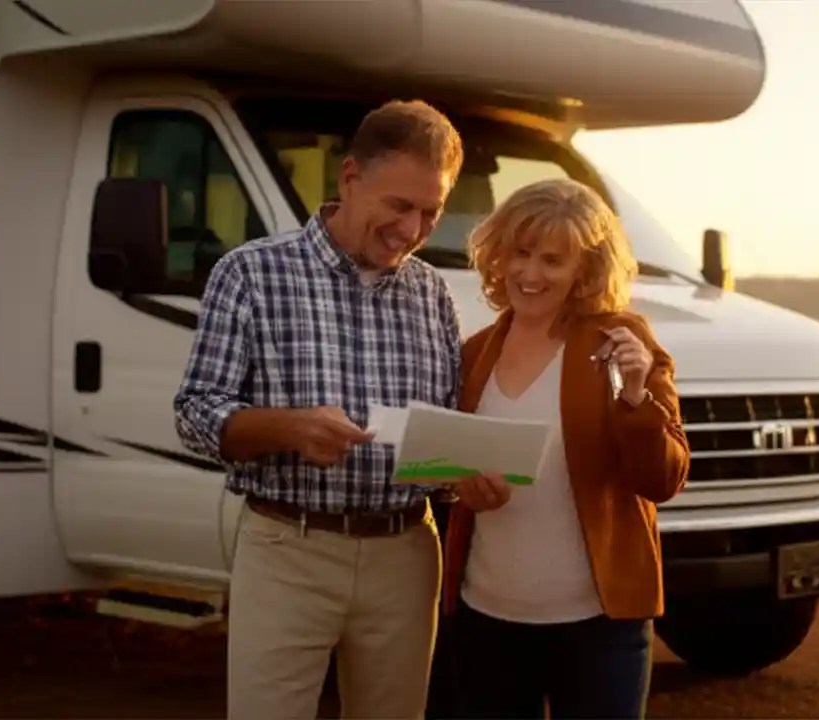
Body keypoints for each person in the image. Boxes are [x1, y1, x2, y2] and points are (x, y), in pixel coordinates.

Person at [173, 99, 465, 720]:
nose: (412, 229)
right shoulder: (249, 273)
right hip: (288, 549)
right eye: (399, 205)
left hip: (407, 553)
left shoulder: (433, 293)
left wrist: (470, 473)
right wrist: (289, 427)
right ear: (350, 177)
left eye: (430, 212)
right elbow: (195, 412)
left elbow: (442, 431)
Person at [438, 178, 691, 719]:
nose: (529, 273)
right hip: (487, 624)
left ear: (586, 270)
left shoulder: (621, 343)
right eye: (521, 253)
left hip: (599, 629)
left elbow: (662, 480)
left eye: (552, 260)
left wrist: (636, 396)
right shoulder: (475, 353)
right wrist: (461, 485)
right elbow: (450, 467)